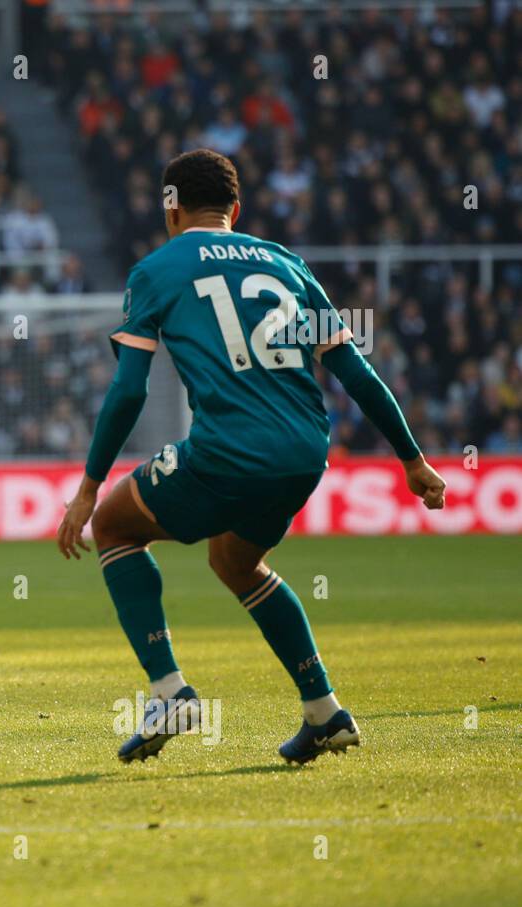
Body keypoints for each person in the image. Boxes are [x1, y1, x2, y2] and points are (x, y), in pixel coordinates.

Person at [56, 149, 446, 765]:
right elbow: (356, 371)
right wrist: (413, 459)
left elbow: (129, 388)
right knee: (237, 562)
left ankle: (169, 693)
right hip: (304, 451)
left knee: (113, 524)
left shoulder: (156, 270)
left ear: (172, 209)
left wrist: (87, 486)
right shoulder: (286, 262)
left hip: (229, 450)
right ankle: (325, 712)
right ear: (236, 209)